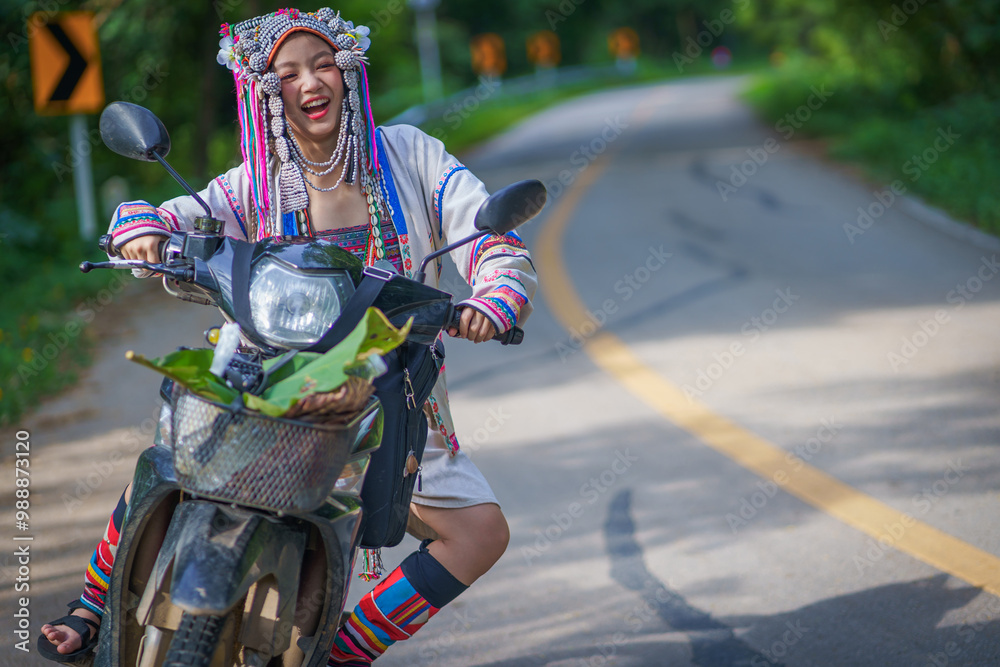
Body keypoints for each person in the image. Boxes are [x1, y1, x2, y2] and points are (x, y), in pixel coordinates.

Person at [38, 8, 536, 665]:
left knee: (479, 532)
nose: (310, 82)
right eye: (288, 72)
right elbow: (180, 215)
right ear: (263, 92)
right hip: (258, 378)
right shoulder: (253, 182)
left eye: (324, 63)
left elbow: (485, 223)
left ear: (348, 72)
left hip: (385, 396)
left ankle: (345, 650)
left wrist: (495, 292)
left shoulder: (410, 155)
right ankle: (96, 601)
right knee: (171, 455)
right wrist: (141, 226)